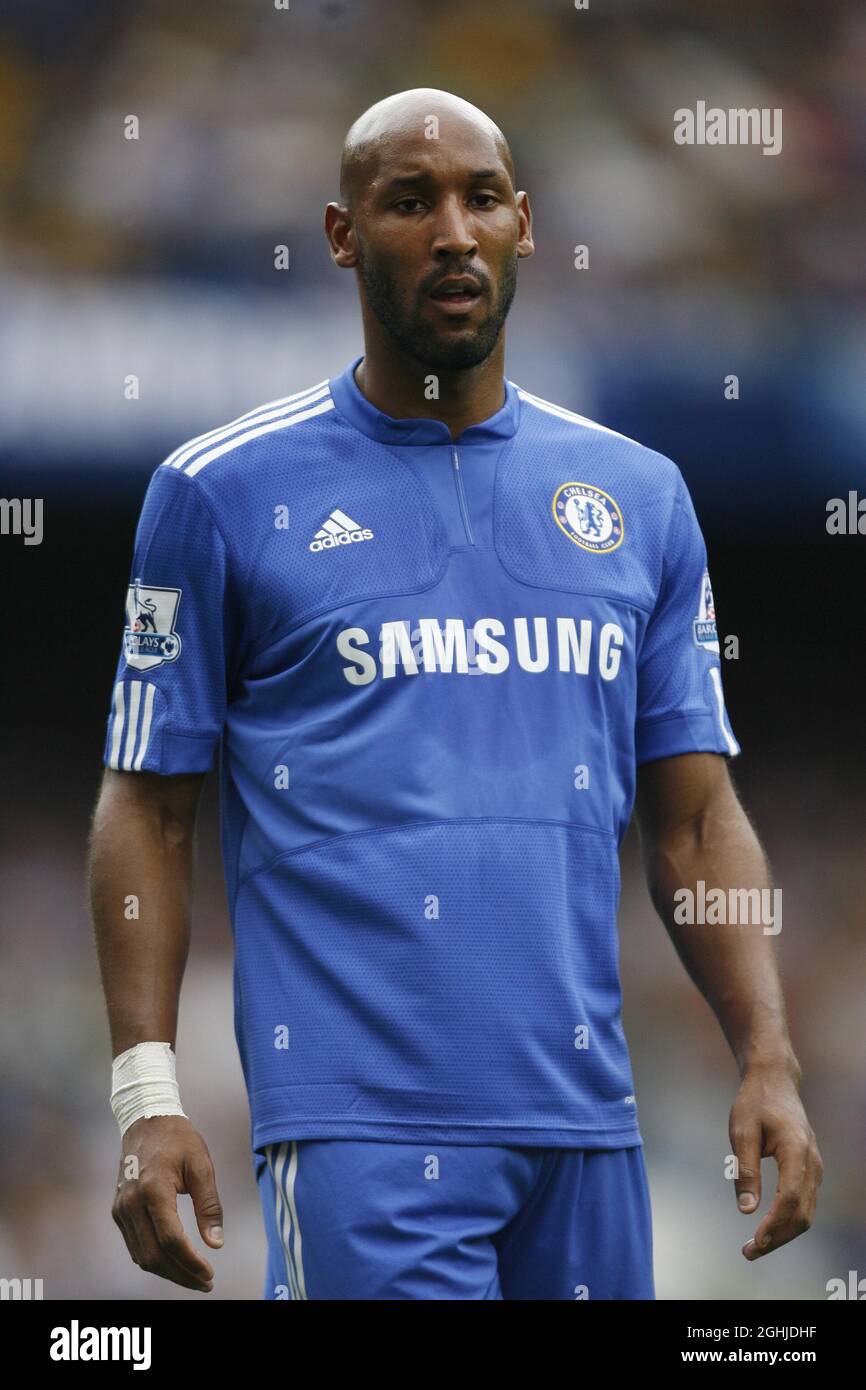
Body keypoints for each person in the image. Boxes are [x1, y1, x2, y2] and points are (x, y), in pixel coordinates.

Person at [89, 87, 822, 1300]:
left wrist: (768, 1058)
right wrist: (145, 1094)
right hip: (360, 1134)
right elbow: (147, 808)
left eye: (480, 199)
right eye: (407, 201)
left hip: (583, 1135)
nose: (450, 232)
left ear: (523, 224)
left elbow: (694, 818)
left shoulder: (636, 496)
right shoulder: (218, 492)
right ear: (340, 235)